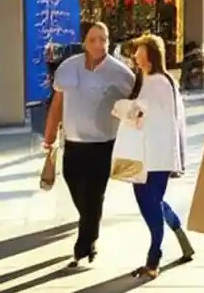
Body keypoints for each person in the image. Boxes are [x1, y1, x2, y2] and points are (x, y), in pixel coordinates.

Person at [43, 22, 135, 268]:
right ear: (85, 41)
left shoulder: (121, 73)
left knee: (94, 195)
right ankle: (89, 226)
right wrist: (49, 135)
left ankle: (85, 243)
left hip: (102, 144)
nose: (98, 44)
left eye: (102, 39)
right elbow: (57, 104)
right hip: (72, 143)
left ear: (108, 42)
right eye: (93, 39)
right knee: (76, 188)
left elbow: (137, 105)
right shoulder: (68, 68)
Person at [125, 35, 194, 278]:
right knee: (151, 201)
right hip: (146, 153)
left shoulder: (158, 83)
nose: (135, 56)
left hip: (155, 154)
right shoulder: (148, 80)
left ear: (151, 54)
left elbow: (149, 114)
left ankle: (154, 259)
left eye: (139, 51)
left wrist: (128, 111)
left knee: (149, 203)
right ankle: (178, 233)